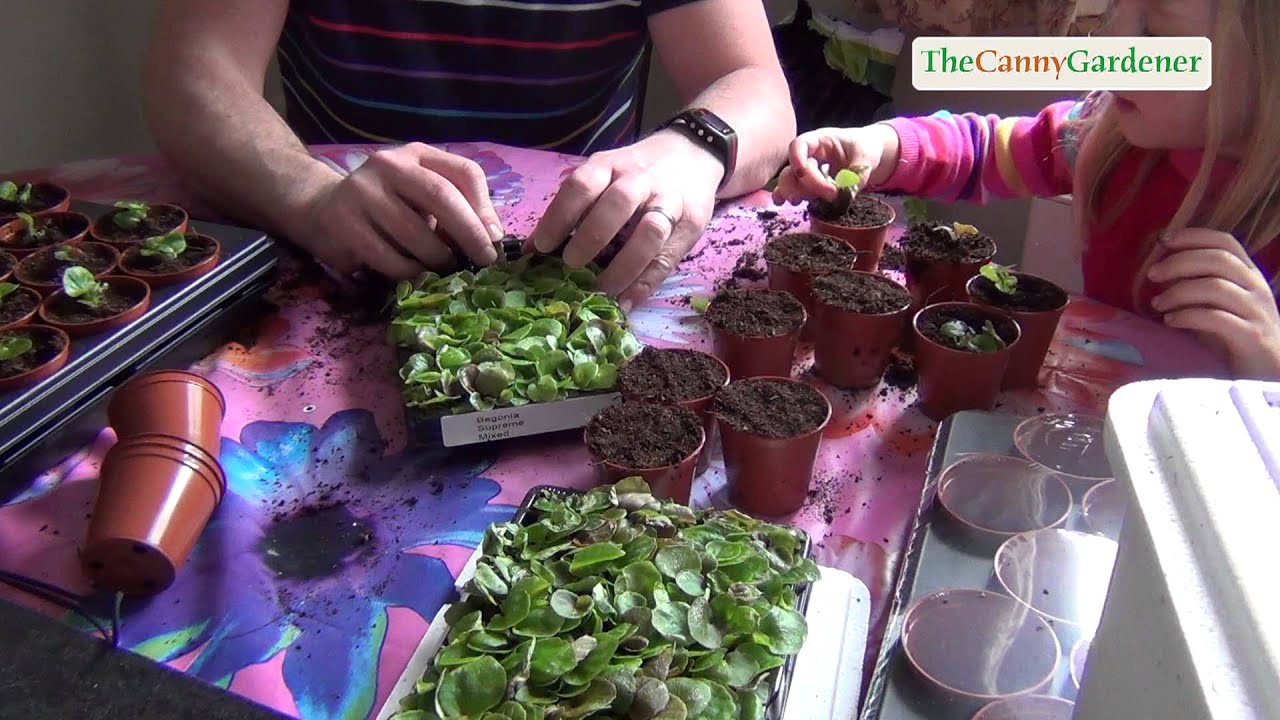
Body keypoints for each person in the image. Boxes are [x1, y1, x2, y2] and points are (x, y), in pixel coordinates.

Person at [144, 0, 794, 310]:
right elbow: (193, 75)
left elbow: (754, 86)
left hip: (573, 272)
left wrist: (689, 152)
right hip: (342, 262)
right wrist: (309, 197)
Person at [772, 0, 1280, 380]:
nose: (1105, 47)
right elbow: (984, 148)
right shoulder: (1104, 137)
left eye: (1153, 29)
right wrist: (878, 145)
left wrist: (1269, 364)